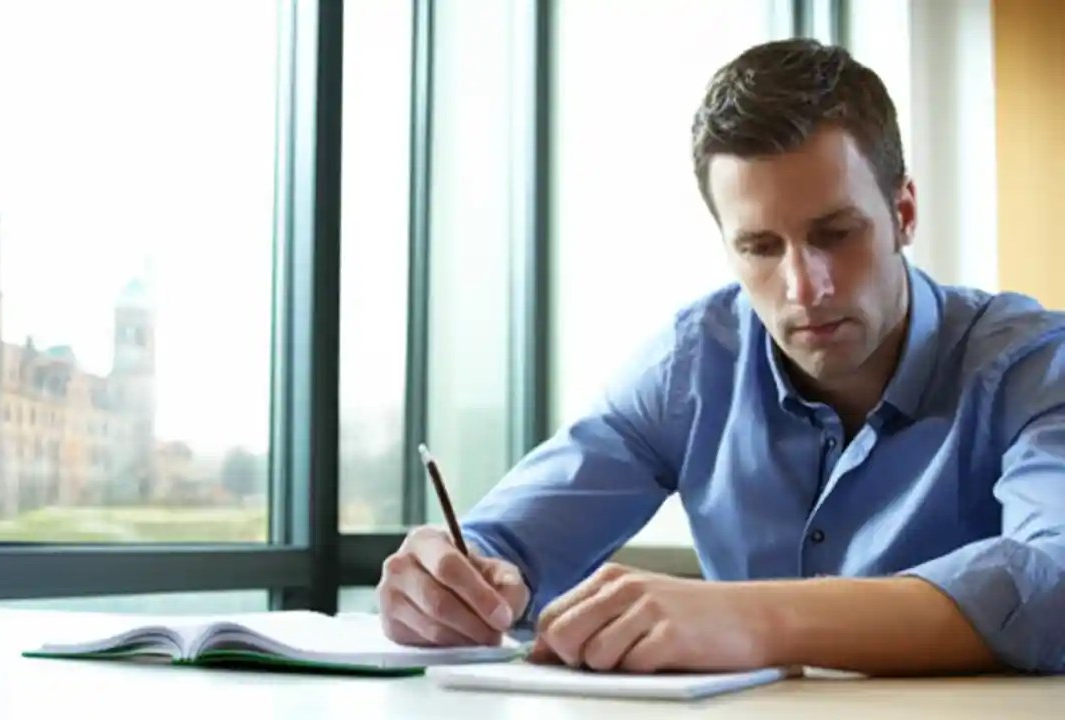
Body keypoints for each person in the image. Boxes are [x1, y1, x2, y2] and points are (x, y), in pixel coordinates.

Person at [375, 38, 1065, 676]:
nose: (805, 289)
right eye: (760, 247)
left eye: (835, 234)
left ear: (904, 213)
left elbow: (1052, 581)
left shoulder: (1033, 367)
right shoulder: (691, 367)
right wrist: (448, 583)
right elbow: (503, 548)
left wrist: (750, 618)